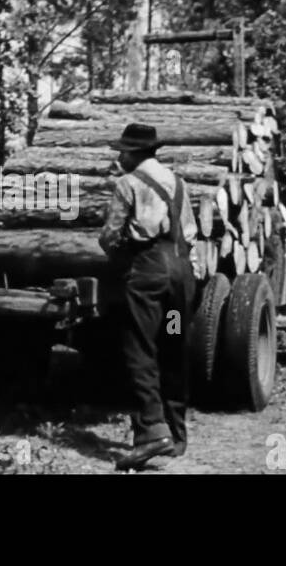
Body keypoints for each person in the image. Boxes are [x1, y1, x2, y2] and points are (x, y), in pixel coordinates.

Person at [98, 123, 203, 470]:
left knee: (140, 349)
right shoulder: (178, 183)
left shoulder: (126, 184)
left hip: (148, 277)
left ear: (134, 153)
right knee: (172, 345)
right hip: (180, 276)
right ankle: (175, 434)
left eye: (123, 151)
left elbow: (110, 236)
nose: (119, 157)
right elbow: (190, 231)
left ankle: (151, 432)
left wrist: (120, 260)